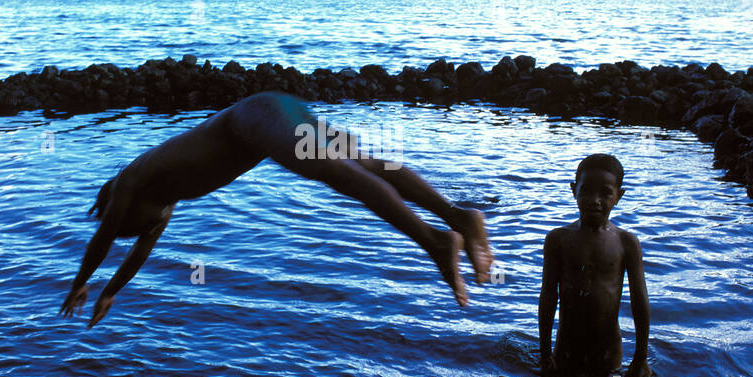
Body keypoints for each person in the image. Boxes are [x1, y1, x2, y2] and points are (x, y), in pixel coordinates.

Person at [60, 90, 494, 327]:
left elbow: (103, 237)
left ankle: (435, 242)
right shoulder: (162, 206)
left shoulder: (129, 180)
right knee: (358, 162)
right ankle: (457, 216)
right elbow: (138, 255)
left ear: (111, 202)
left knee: (336, 172)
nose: (134, 233)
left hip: (255, 120)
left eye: (124, 227)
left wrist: (79, 283)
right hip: (271, 112)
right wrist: (110, 292)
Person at [538, 153, 652, 377]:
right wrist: (544, 353)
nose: (595, 200)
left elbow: (639, 301)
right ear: (573, 190)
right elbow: (548, 297)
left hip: (608, 359)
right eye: (586, 190)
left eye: (605, 193)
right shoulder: (558, 240)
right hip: (565, 356)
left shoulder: (626, 243)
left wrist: (640, 357)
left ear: (618, 196)